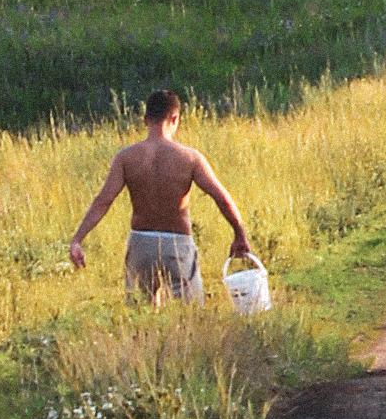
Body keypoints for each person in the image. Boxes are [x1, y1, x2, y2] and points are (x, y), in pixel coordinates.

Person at [67, 87, 258, 303]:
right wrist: (239, 233)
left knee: (141, 311)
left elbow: (103, 200)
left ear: (145, 119)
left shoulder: (126, 158)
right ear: (175, 118)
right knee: (191, 312)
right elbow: (221, 197)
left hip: (141, 242)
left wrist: (78, 239)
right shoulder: (190, 158)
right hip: (177, 243)